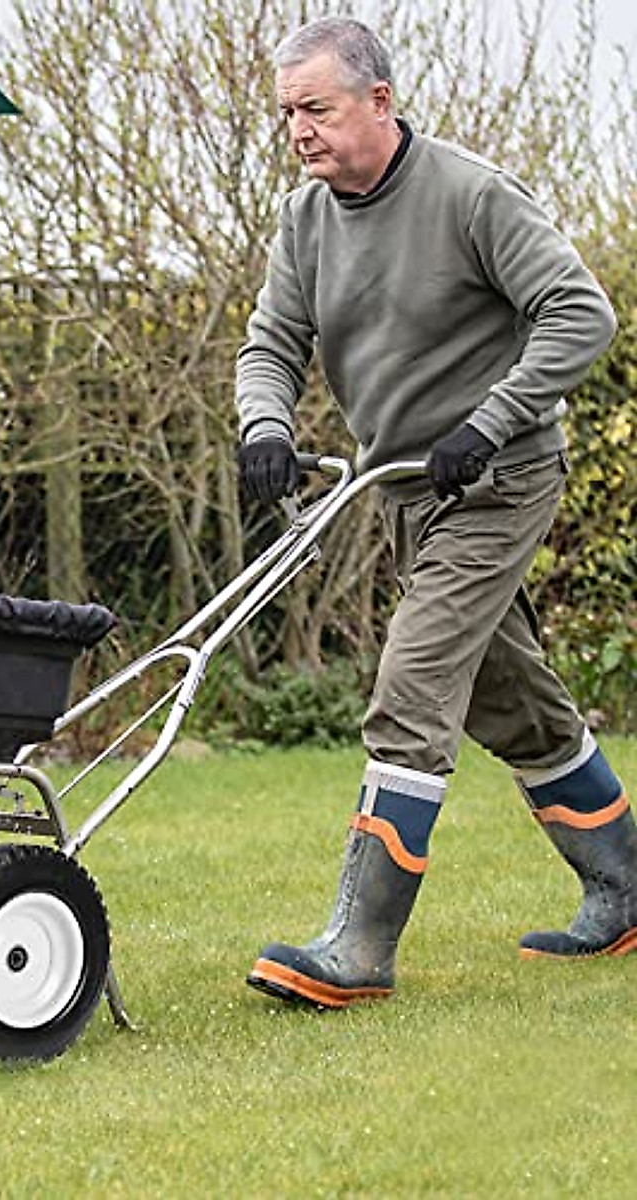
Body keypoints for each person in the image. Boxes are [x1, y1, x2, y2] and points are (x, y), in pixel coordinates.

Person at [234, 16, 634, 1008]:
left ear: (379, 100)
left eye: (316, 109)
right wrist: (265, 427)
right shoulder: (305, 220)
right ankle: (626, 887)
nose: (299, 131)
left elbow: (581, 313)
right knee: (510, 699)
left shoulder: (470, 195)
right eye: (287, 114)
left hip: (499, 480)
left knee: (411, 687)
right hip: (408, 489)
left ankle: (358, 947)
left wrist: (490, 422)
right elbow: (272, 343)